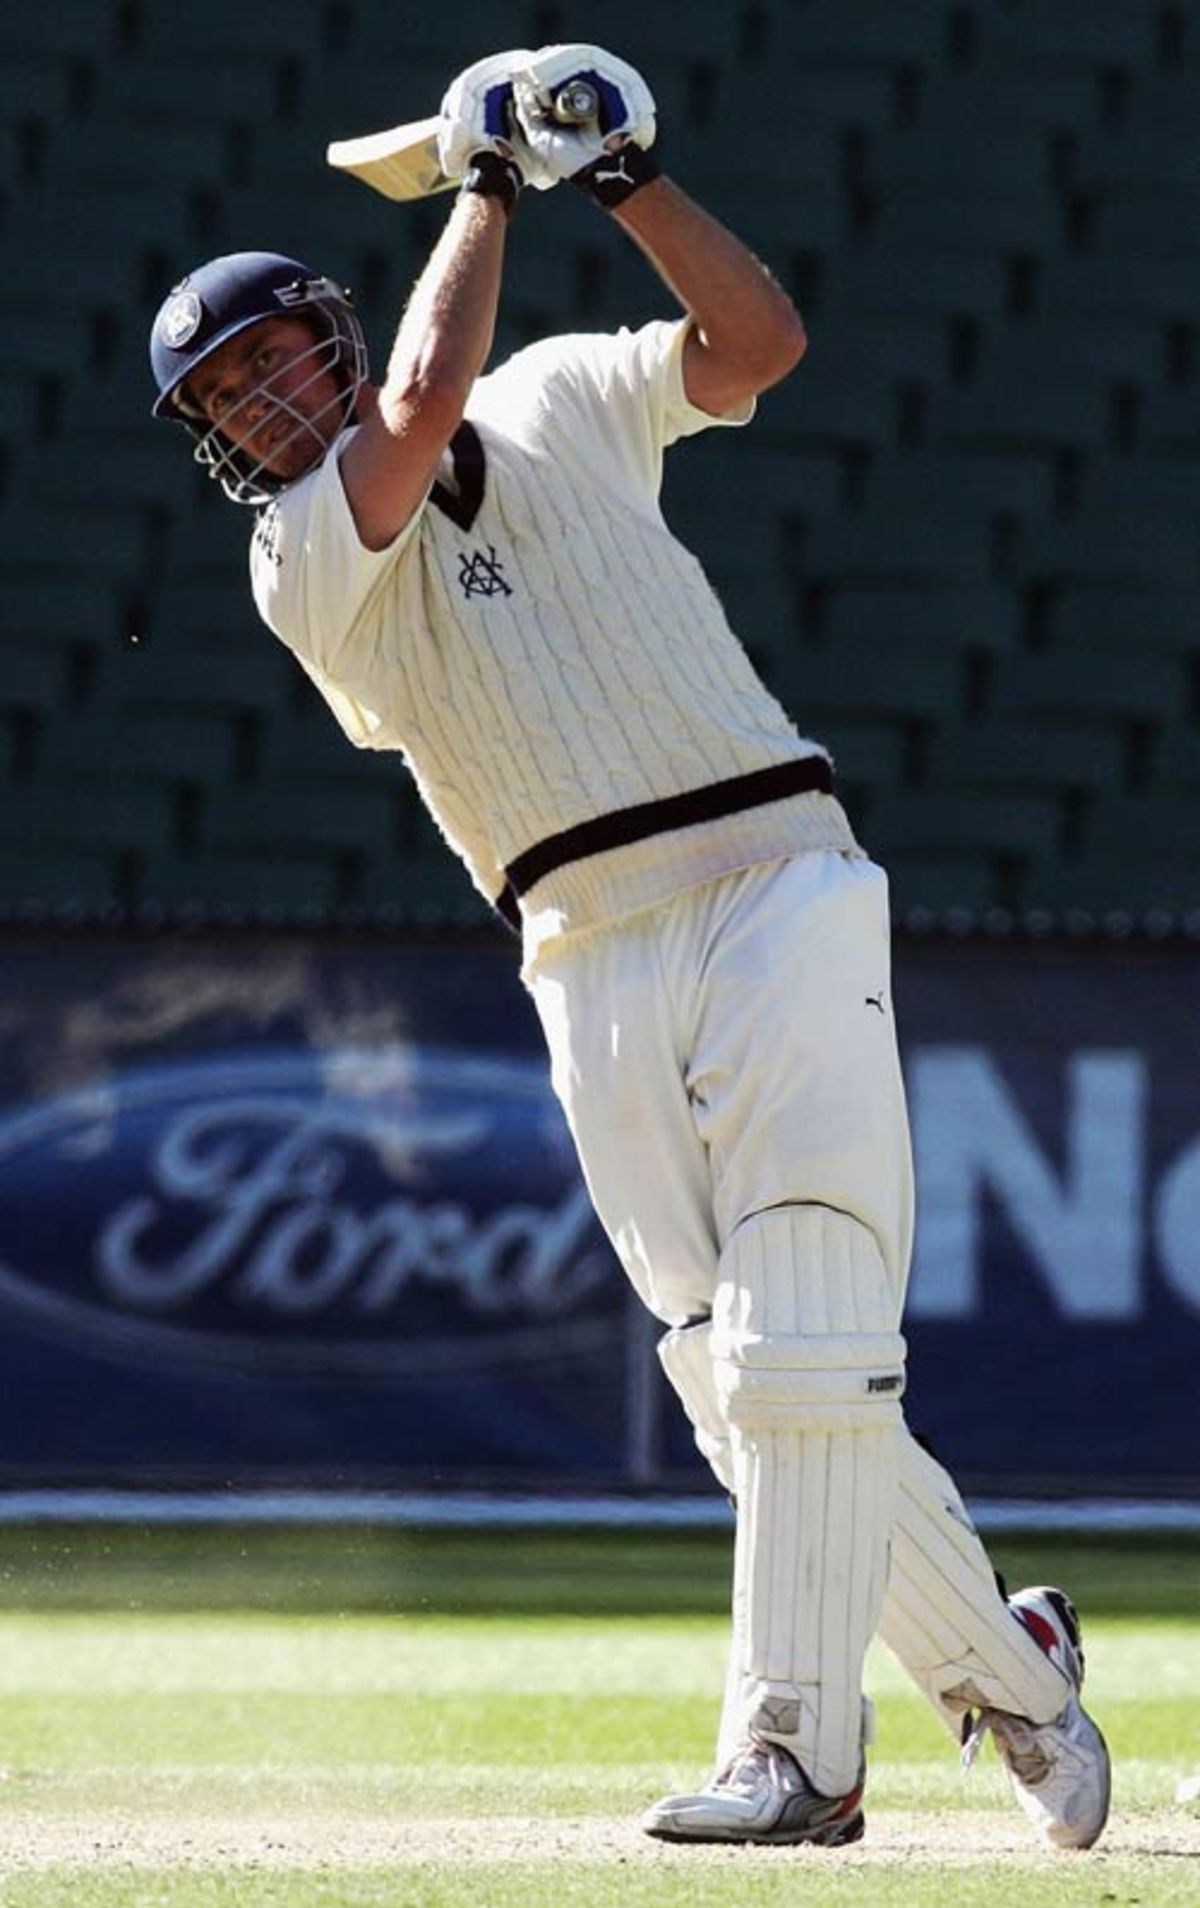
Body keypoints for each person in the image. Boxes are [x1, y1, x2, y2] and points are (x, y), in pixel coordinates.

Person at [149, 43, 1111, 1852]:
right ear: (223, 444)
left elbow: (758, 351)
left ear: (329, 338)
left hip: (774, 879)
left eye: (281, 356)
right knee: (731, 1378)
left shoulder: (569, 392)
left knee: (809, 1328)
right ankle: (1017, 1668)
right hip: (582, 948)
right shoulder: (300, 553)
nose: (269, 401)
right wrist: (487, 184)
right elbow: (415, 413)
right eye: (232, 393)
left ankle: (798, 1760)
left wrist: (627, 178)